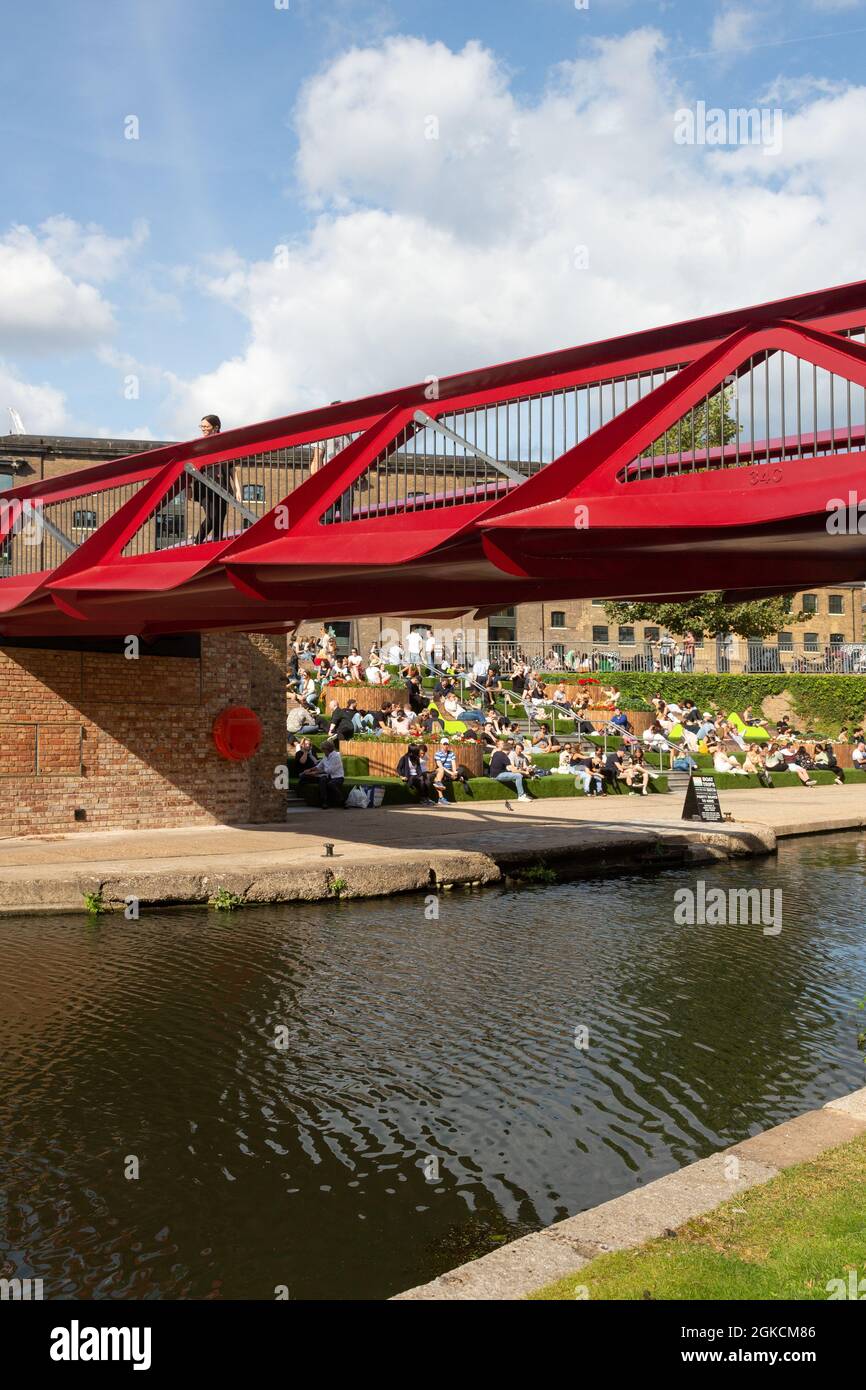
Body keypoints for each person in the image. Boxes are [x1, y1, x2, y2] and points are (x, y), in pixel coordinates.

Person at [188, 414, 242, 542]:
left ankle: (216, 545)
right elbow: (190, 468)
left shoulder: (224, 446)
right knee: (212, 517)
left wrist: (238, 489)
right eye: (201, 426)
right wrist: (188, 487)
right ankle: (197, 542)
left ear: (216, 427)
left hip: (222, 487)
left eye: (206, 426)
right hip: (204, 488)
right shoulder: (199, 446)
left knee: (220, 519)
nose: (203, 429)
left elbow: (232, 469)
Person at [433, 737, 468, 805]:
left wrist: (454, 772)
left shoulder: (451, 753)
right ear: (441, 744)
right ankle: (458, 778)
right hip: (442, 771)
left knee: (461, 769)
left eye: (447, 744)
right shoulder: (437, 754)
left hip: (450, 771)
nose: (446, 746)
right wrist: (451, 773)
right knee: (441, 771)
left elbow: (453, 764)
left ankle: (456, 777)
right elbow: (440, 766)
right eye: (444, 744)